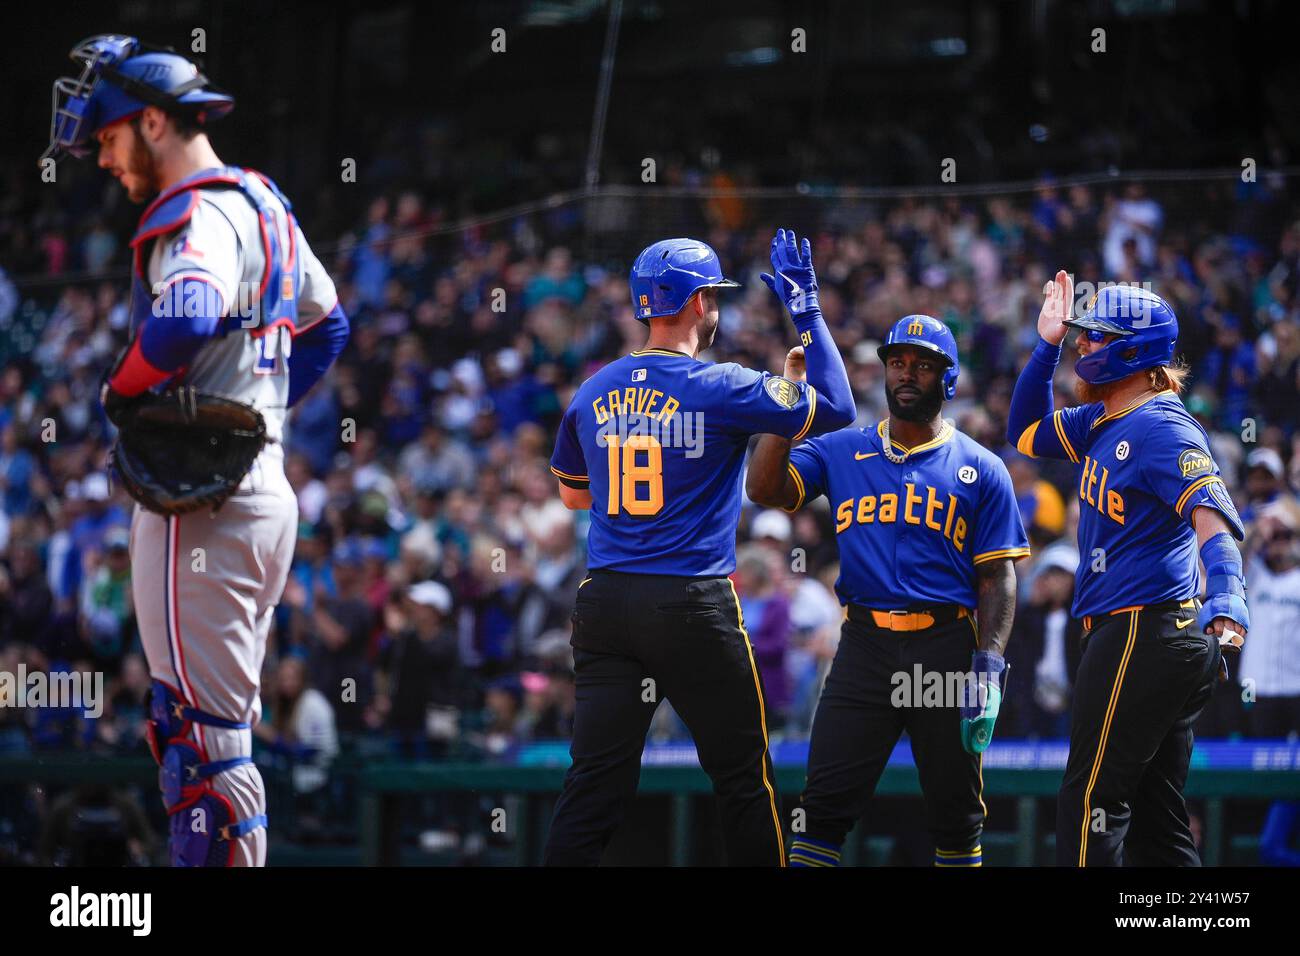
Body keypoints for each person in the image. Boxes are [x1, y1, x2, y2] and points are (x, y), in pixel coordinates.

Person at [42, 35, 349, 866]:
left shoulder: (197, 209)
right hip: (253, 491)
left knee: (198, 749)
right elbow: (330, 327)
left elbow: (185, 316)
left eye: (105, 138)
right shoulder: (262, 203)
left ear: (150, 121)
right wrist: (259, 413)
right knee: (215, 740)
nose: (102, 159)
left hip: (206, 508)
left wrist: (125, 388)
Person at [543, 231, 854, 866]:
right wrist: (807, 309)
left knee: (593, 783)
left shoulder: (593, 390)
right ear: (693, 304)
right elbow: (841, 408)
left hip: (604, 600)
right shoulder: (723, 385)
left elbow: (575, 497)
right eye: (710, 296)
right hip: (690, 601)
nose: (715, 308)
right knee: (742, 777)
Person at [748, 314, 1029, 868]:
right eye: (897, 362)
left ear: (947, 381)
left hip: (944, 646)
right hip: (865, 647)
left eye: (923, 366)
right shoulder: (842, 449)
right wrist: (786, 409)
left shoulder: (983, 467)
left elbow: (997, 576)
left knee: (956, 816)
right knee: (821, 807)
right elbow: (764, 489)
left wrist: (989, 664)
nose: (906, 374)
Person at [1007, 273, 1249, 866]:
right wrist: (1047, 345)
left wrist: (1229, 593)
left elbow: (1211, 514)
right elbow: (1026, 432)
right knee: (1155, 821)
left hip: (1145, 629)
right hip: (1146, 635)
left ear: (1135, 351)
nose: (1083, 345)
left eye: (1095, 337)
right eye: (1082, 336)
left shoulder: (1162, 426)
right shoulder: (1102, 420)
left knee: (1090, 801)